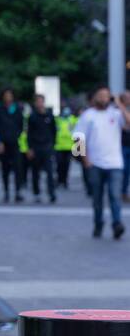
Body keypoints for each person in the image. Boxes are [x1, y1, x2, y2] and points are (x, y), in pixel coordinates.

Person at [74, 86, 130, 239]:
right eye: (101, 95)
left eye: (107, 95)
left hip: (115, 163)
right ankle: (98, 223)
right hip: (95, 164)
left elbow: (128, 122)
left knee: (114, 195)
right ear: (95, 98)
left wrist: (119, 104)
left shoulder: (116, 113)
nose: (104, 98)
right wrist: (85, 161)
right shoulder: (88, 115)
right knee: (97, 198)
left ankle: (117, 224)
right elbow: (78, 138)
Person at [0, 87, 25, 203]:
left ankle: (17, 191)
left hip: (15, 142)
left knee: (17, 168)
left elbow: (21, 125)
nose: (8, 98)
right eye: (6, 95)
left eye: (10, 95)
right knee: (5, 168)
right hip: (3, 143)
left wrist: (17, 134)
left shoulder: (17, 110)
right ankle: (6, 192)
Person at [26, 93, 57, 204]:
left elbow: (54, 131)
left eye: (41, 101)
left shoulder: (49, 115)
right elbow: (29, 133)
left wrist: (52, 145)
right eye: (37, 101)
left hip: (47, 146)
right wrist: (30, 148)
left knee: (49, 172)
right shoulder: (32, 117)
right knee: (35, 172)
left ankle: (52, 193)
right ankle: (36, 193)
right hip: (36, 147)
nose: (39, 104)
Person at [55, 104, 77, 189]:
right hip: (58, 146)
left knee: (67, 165)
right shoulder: (58, 120)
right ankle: (59, 180)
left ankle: (64, 181)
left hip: (69, 146)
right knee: (59, 165)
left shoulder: (73, 119)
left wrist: (78, 150)